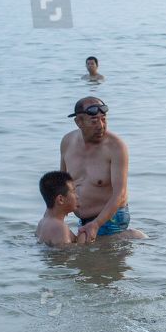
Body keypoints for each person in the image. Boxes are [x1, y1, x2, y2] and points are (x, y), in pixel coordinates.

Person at [58, 97, 139, 242]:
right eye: (94, 121)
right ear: (79, 122)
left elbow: (120, 194)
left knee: (90, 253)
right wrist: (54, 219)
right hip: (84, 220)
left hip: (111, 218)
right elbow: (62, 186)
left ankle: (133, 236)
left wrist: (96, 224)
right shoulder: (67, 142)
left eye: (104, 119)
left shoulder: (116, 147)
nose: (101, 126)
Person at [36, 170, 78, 246]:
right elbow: (65, 252)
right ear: (61, 199)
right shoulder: (61, 228)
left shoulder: (42, 222)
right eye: (74, 192)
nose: (77, 196)